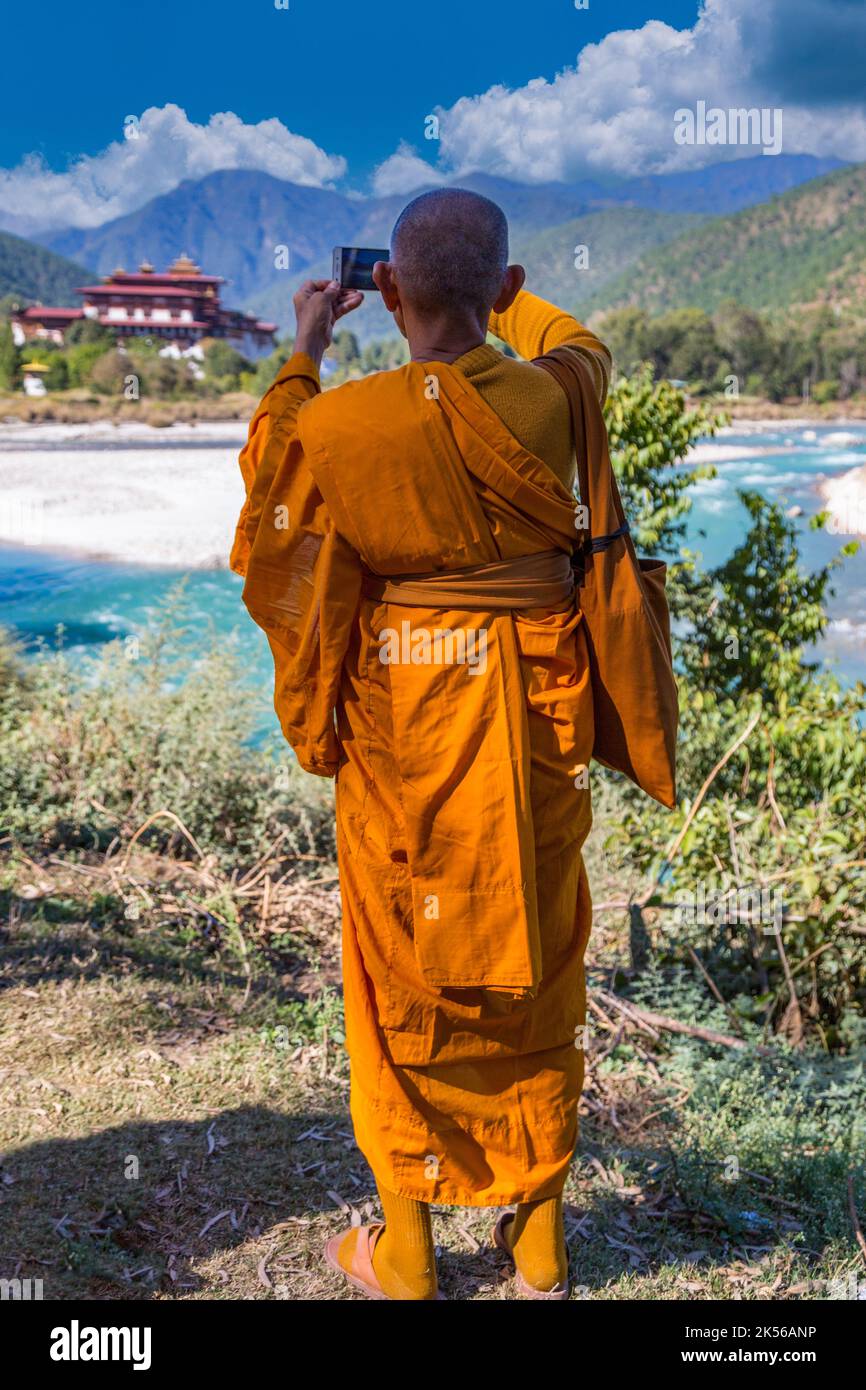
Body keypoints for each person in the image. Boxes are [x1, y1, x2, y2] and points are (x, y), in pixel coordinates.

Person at [231, 188, 612, 1301]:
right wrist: (486, 294)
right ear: (504, 288)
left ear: (385, 289)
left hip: (408, 726)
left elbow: (275, 511)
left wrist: (307, 346)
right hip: (534, 716)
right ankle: (535, 1237)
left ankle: (407, 1250)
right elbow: (569, 335)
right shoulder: (559, 393)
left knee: (401, 964)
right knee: (538, 957)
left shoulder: (342, 424)